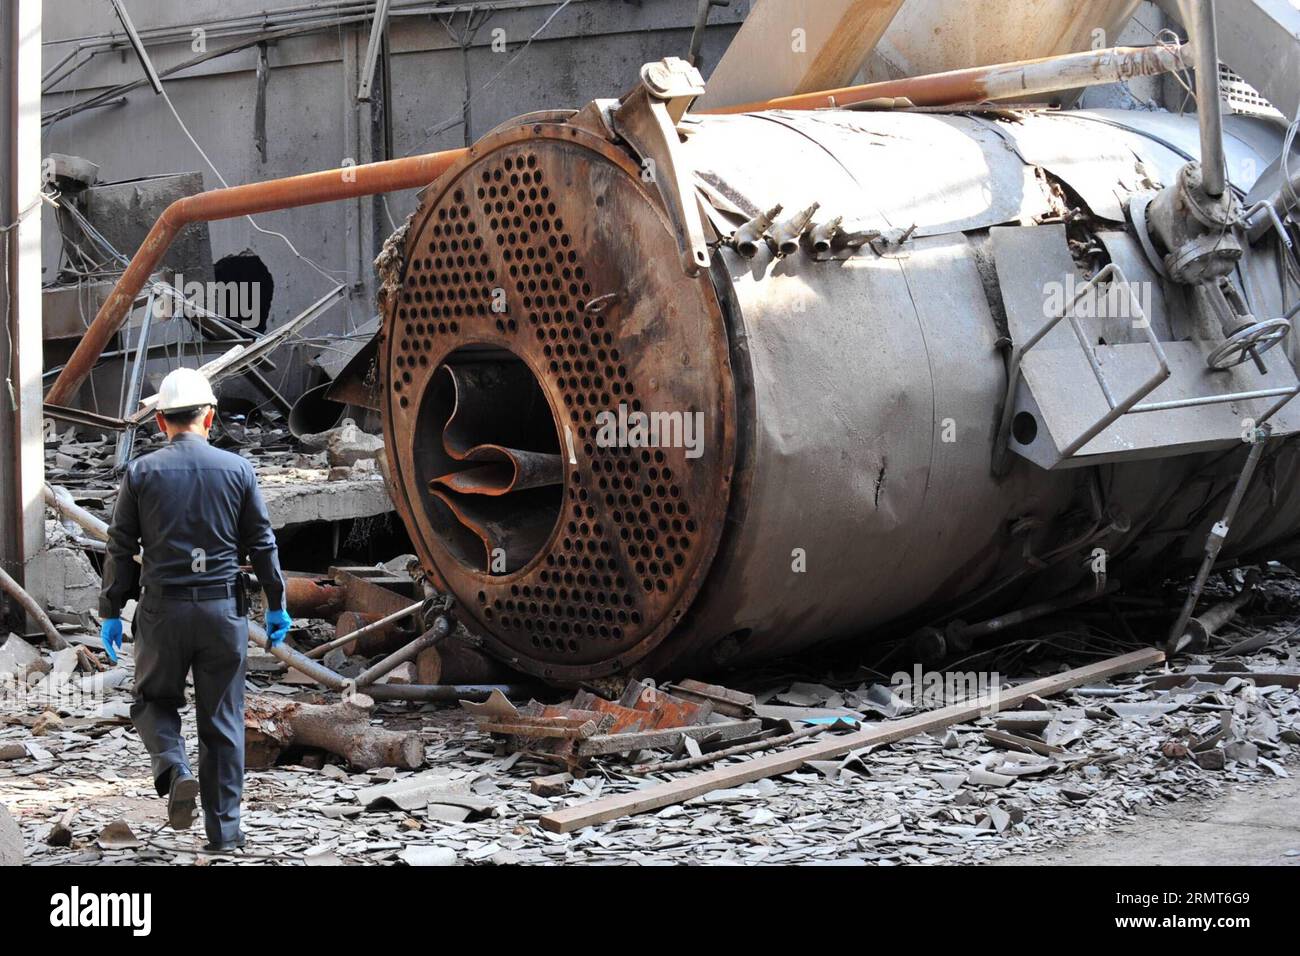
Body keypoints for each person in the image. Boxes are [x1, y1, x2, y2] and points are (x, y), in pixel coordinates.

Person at [97, 367, 292, 851]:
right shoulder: (238, 470)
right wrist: (276, 604)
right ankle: (224, 834)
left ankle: (175, 768)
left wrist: (110, 609)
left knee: (153, 701)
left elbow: (120, 546)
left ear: (161, 422)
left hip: (163, 613)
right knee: (223, 720)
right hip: (222, 613)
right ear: (210, 416)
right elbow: (262, 543)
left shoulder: (141, 472)